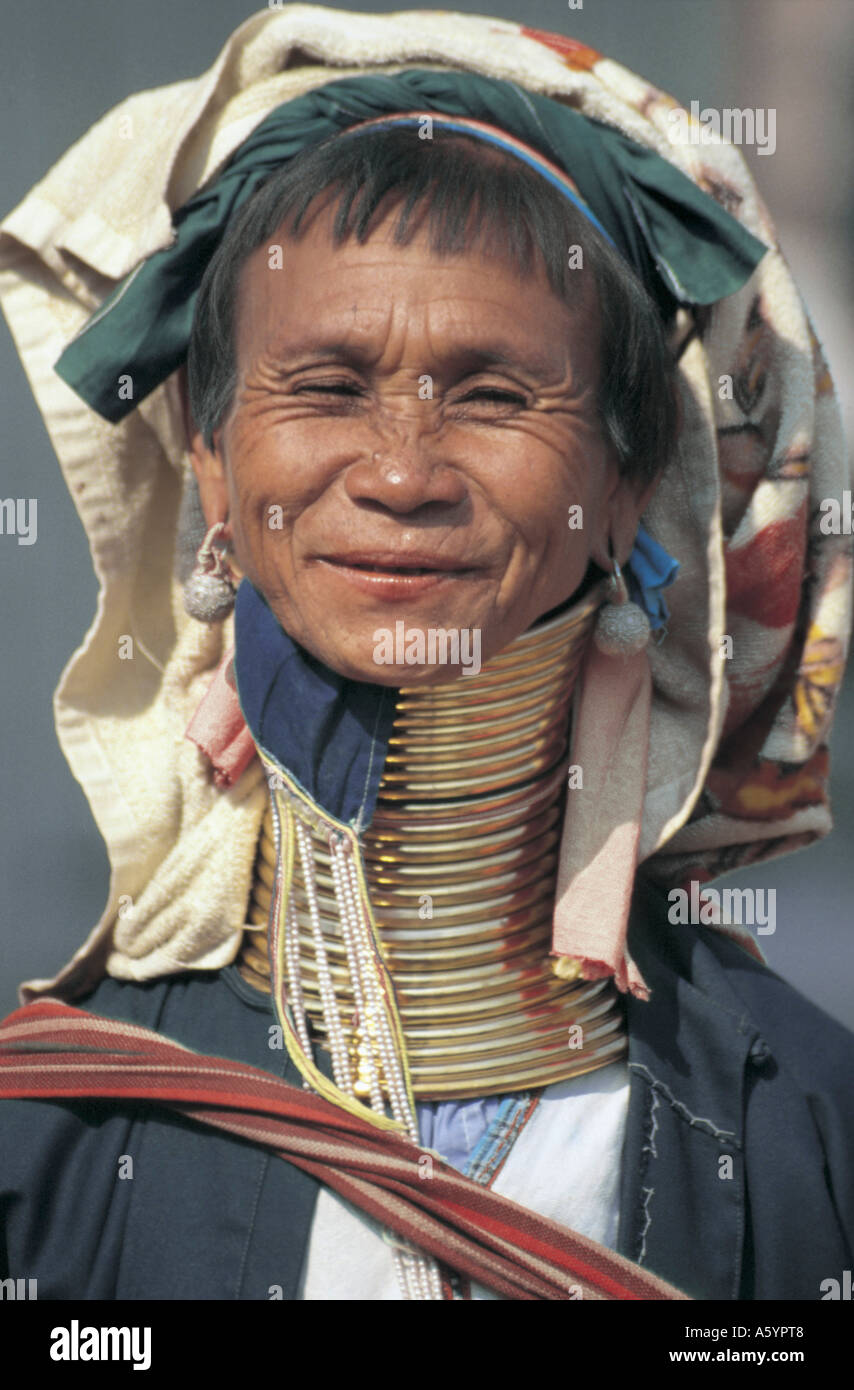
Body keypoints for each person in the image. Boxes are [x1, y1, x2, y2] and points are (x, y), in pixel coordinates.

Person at [0, 6, 852, 1302]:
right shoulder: (47, 1135)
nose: (402, 473)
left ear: (627, 483)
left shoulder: (803, 1138)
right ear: (213, 471)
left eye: (497, 393)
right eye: (326, 386)